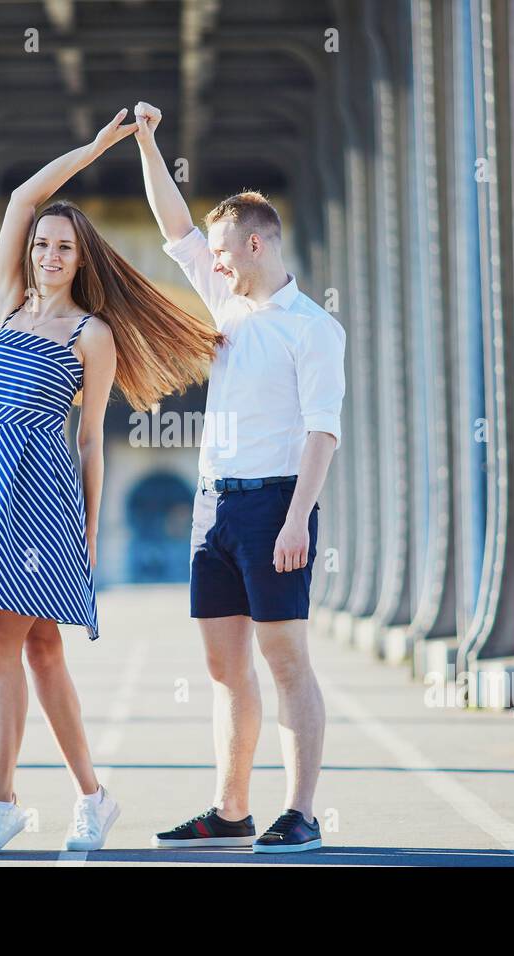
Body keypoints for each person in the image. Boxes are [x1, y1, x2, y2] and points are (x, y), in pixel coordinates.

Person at [0, 109, 224, 857]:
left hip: (40, 497)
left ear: (80, 257)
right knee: (40, 653)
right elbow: (22, 199)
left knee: (5, 640)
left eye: (63, 247)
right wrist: (93, 151)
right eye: (42, 246)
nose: (49, 254)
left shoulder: (90, 334)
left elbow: (91, 439)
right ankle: (92, 797)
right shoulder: (7, 302)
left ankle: (3, 800)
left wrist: (91, 532)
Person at [132, 101, 347, 853]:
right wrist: (149, 143)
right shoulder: (226, 298)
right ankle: (230, 810)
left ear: (257, 244)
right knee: (224, 668)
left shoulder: (314, 329)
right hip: (214, 510)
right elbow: (174, 229)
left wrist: (296, 521)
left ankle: (303, 813)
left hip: (277, 508)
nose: (212, 262)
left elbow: (323, 432)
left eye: (224, 252)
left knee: (286, 659)